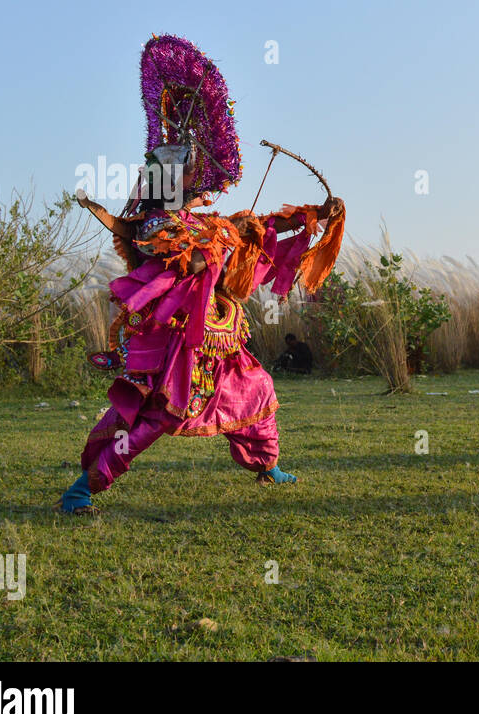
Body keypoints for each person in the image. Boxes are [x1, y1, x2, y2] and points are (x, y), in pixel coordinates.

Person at [56, 35, 346, 516]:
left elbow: (258, 230)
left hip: (221, 337)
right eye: (193, 180)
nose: (203, 188)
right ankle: (82, 489)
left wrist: (316, 214)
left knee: (257, 390)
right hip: (175, 347)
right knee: (150, 421)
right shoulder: (158, 224)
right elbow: (182, 259)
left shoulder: (205, 223)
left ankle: (267, 466)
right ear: (172, 184)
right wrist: (214, 248)